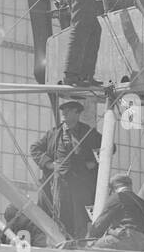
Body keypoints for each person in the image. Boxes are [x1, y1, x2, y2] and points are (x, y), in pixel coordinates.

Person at [29, 100, 101, 240]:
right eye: (63, 110)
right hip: (57, 183)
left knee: (80, 216)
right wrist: (49, 164)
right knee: (58, 214)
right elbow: (34, 149)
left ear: (77, 113)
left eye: (68, 110)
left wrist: (93, 163)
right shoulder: (53, 133)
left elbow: (108, 148)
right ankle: (59, 240)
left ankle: (80, 241)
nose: (63, 113)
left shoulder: (88, 133)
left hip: (80, 184)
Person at [86, 174, 144, 251]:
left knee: (93, 248)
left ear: (114, 188)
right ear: (130, 186)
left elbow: (101, 222)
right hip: (142, 243)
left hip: (124, 238)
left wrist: (90, 239)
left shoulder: (117, 197)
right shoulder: (143, 203)